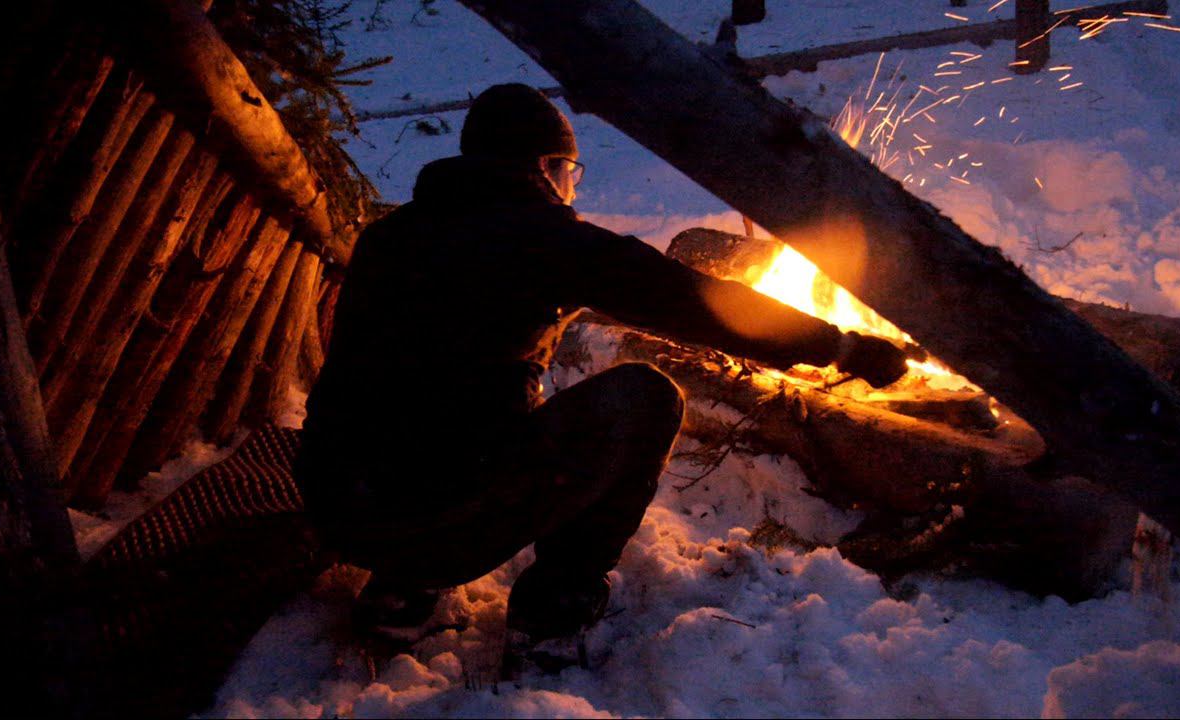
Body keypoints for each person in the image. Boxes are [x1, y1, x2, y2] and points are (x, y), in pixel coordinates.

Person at [294, 83, 906, 653]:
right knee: (646, 395)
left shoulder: (390, 237)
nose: (572, 188)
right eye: (567, 171)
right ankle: (554, 609)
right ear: (542, 169)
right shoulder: (542, 239)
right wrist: (841, 348)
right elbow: (694, 302)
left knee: (444, 410)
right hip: (437, 522)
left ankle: (399, 591)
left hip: (336, 507)